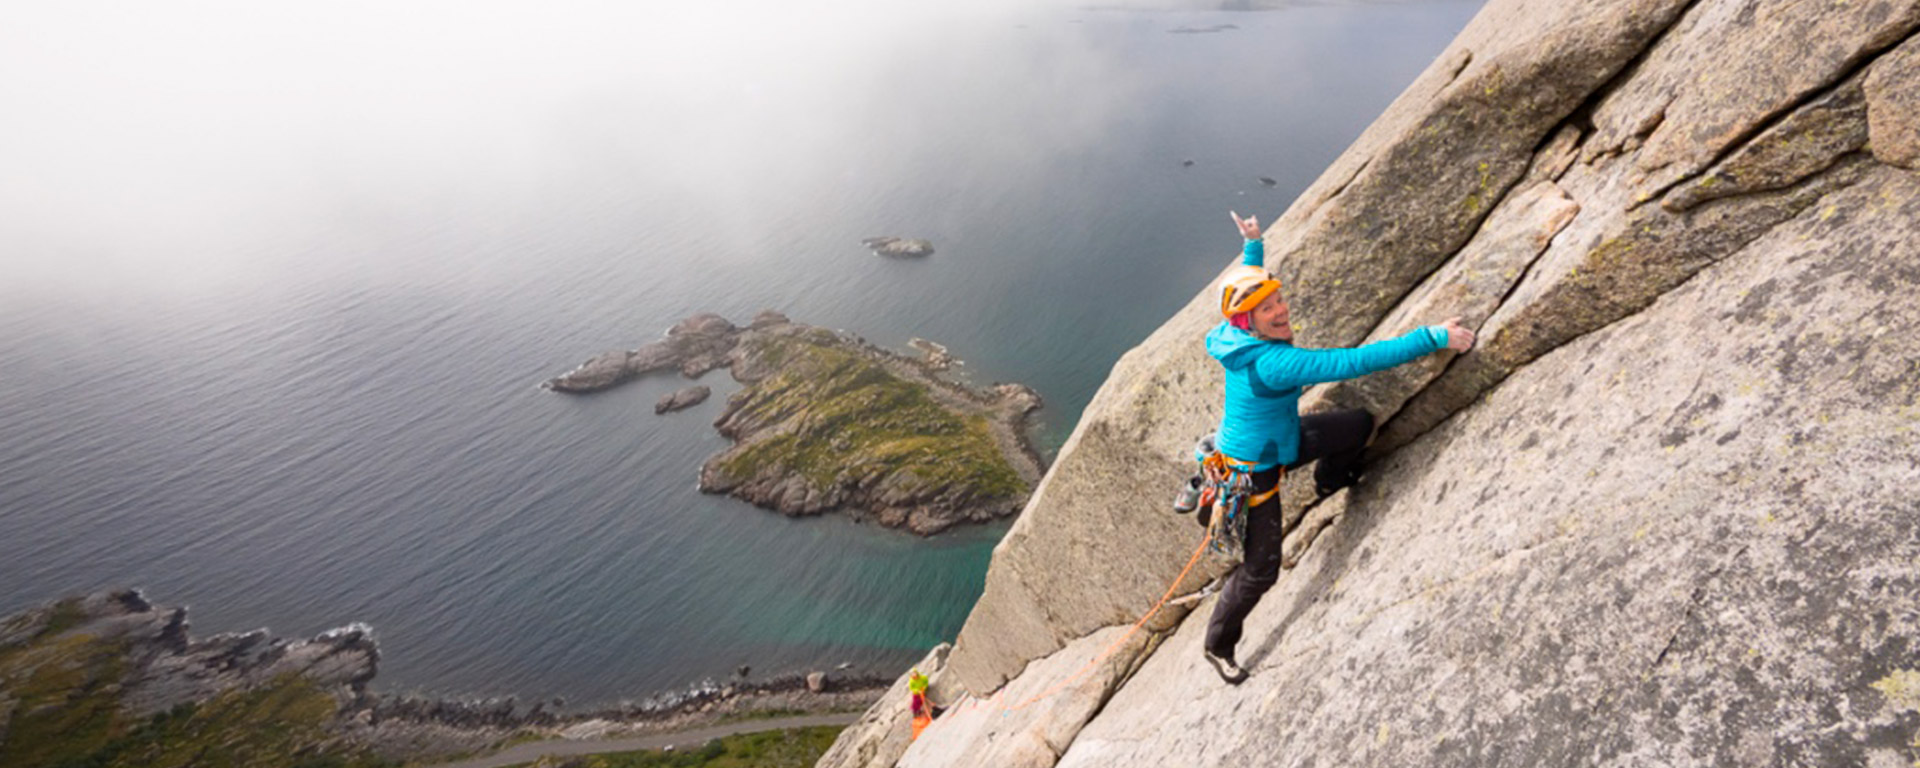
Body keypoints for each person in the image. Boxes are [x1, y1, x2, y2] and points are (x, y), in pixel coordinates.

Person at [1200, 211, 1474, 684]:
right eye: (1269, 308)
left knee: (1356, 425)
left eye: (1280, 299)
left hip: (1278, 442)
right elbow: (1355, 360)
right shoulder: (1273, 361)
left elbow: (1250, 291)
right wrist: (1433, 336)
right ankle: (1217, 645)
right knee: (1261, 571)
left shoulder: (1233, 335)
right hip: (1254, 473)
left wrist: (1254, 246)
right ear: (1249, 321)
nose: (1281, 309)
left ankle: (1331, 481)